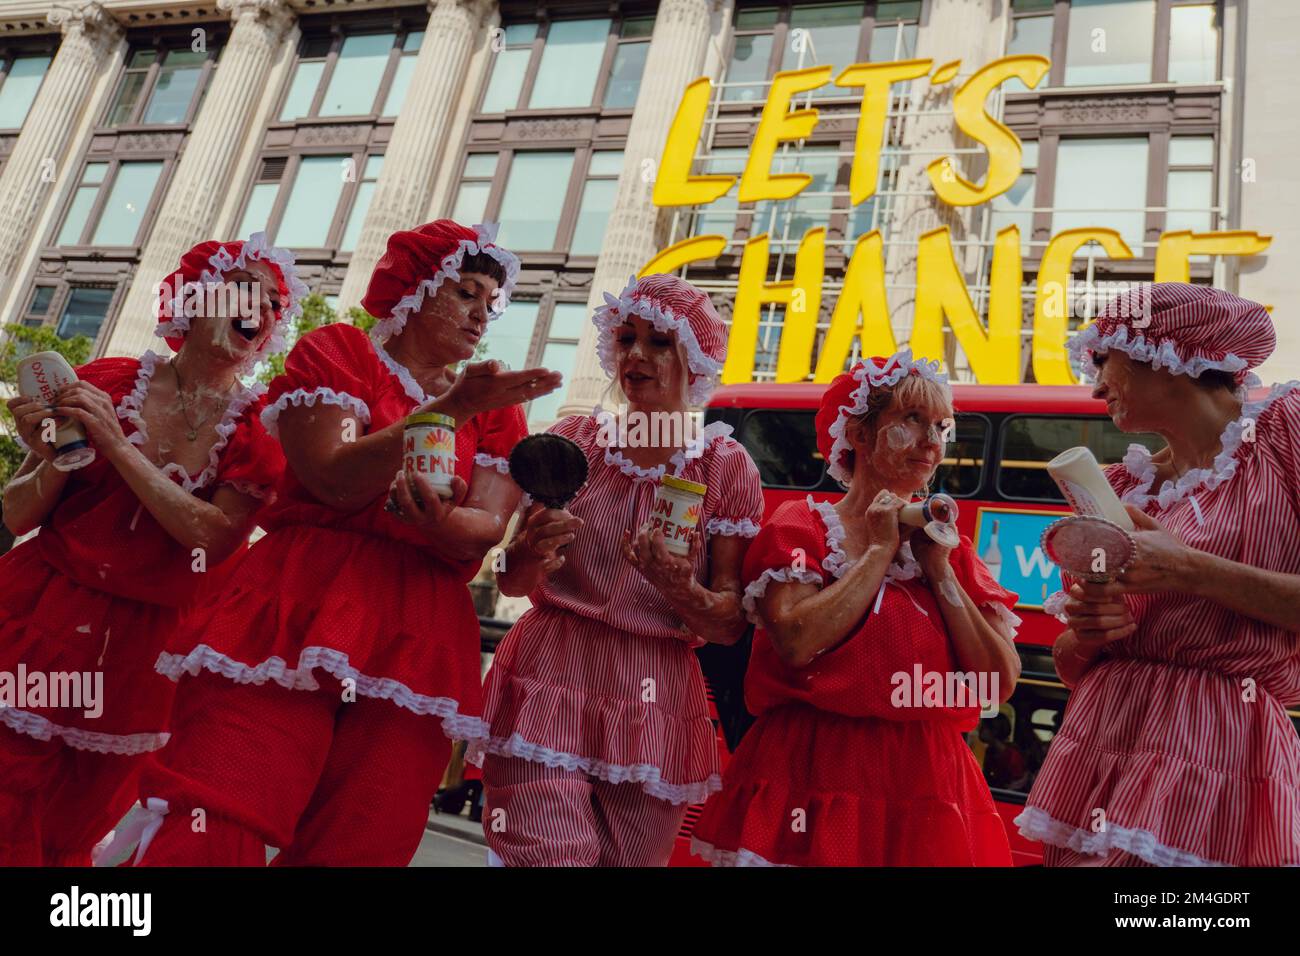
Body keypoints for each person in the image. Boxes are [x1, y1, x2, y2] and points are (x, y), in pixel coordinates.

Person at [103, 220, 562, 867]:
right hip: (300, 598)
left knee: (364, 838)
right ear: (414, 290)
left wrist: (432, 520)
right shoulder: (340, 353)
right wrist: (447, 413)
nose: (482, 314)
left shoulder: (496, 408)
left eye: (492, 303)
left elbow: (485, 527)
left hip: (421, 629)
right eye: (465, 293)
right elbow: (331, 476)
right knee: (222, 801)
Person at [0, 233, 300, 865]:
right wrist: (59, 457)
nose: (264, 309)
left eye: (275, 302)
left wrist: (116, 444)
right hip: (40, 610)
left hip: (149, 650)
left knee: (75, 827)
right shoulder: (104, 380)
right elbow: (18, 510)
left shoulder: (256, 428)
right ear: (192, 300)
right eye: (247, 290)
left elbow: (212, 539)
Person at [468, 274, 765, 867]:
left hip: (654, 693)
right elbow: (509, 580)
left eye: (659, 343)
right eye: (627, 338)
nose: (636, 355)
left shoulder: (725, 466)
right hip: (552, 667)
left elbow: (731, 623)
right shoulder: (574, 439)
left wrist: (680, 587)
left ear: (696, 358)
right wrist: (529, 550)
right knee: (547, 854)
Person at [690, 352, 1022, 866]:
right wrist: (878, 552)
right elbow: (798, 642)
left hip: (928, 781)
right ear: (860, 435)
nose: (933, 441)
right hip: (812, 764)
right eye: (911, 420)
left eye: (941, 426)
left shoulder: (953, 553)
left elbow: (995, 684)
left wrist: (940, 573)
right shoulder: (800, 526)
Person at [1018, 282, 1300, 866]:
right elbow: (1072, 663)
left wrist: (1190, 569)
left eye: (1104, 360)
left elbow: (1191, 575)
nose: (1095, 385)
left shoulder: (1283, 433)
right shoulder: (1119, 487)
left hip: (1215, 745)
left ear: (1168, 356)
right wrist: (1089, 631)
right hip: (1100, 740)